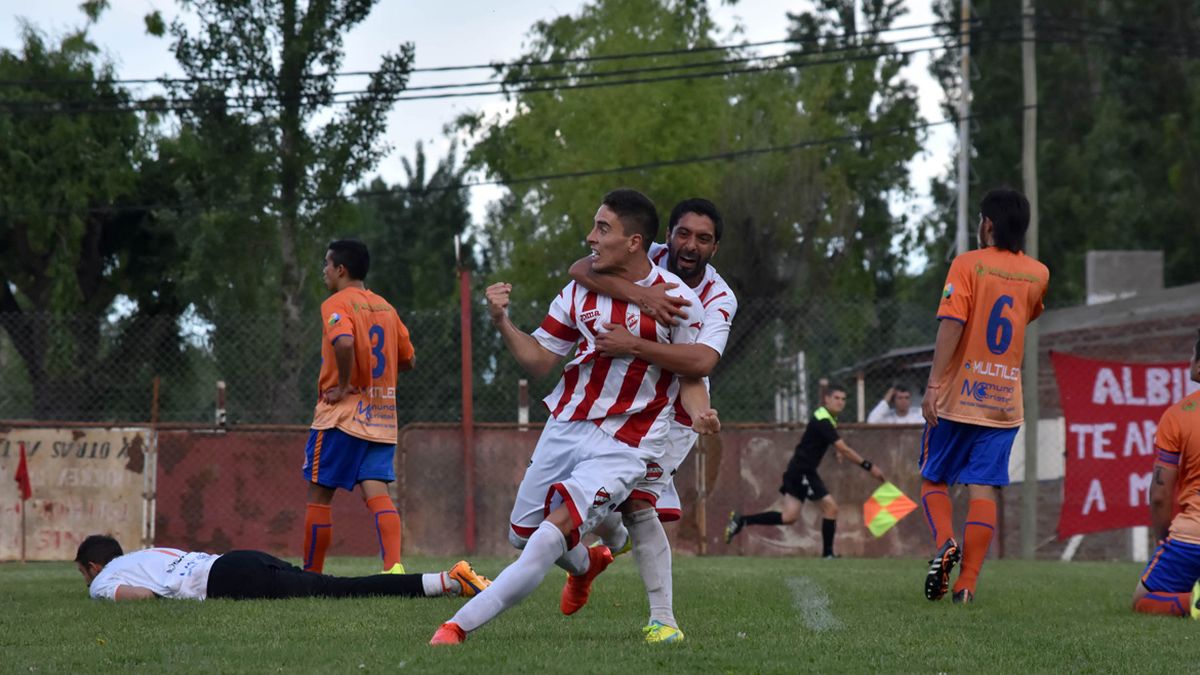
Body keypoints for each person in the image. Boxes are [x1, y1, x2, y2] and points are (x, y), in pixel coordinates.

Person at [429, 188, 720, 646]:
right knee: (522, 535)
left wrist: (701, 414)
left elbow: (692, 370)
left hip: (628, 443)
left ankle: (455, 627)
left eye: (602, 228)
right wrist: (503, 322)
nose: (591, 237)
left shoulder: (681, 300)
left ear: (634, 242)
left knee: (553, 534)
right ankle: (587, 565)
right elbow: (543, 358)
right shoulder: (580, 288)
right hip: (565, 426)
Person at [566, 197, 737, 643]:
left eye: (703, 239)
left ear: (715, 248)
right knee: (600, 501)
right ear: (666, 237)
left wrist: (633, 346)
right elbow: (581, 269)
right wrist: (641, 295)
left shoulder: (719, 298)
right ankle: (612, 542)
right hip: (618, 402)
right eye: (683, 233)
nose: (690, 245)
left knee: (640, 503)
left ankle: (664, 620)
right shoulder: (649, 261)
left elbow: (700, 360)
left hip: (677, 410)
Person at [919, 188, 1049, 604]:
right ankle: (967, 584)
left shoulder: (966, 264)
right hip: (1003, 401)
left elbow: (952, 323)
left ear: (987, 224)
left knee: (933, 477)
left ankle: (945, 542)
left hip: (960, 393)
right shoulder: (1038, 273)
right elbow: (1027, 314)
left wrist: (934, 384)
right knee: (983, 487)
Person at [302, 240, 415, 574]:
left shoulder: (336, 303)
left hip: (341, 417)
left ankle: (311, 575)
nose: (323, 270)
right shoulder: (386, 308)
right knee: (378, 494)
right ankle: (394, 568)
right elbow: (408, 358)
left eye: (326, 263)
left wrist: (345, 382)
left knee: (319, 496)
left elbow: (345, 341)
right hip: (381, 418)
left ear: (341, 269)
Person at [74, 534, 490, 602]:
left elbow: (143, 597)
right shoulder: (146, 552)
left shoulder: (105, 579)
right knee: (330, 586)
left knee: (337, 591)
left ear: (94, 566)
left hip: (227, 578)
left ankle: (448, 582)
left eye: (84, 574)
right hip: (237, 559)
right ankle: (444, 581)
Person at [725, 384, 886, 557]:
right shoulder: (823, 420)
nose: (840, 402)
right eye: (836, 398)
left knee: (789, 517)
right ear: (826, 399)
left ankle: (741, 520)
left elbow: (829, 440)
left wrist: (836, 450)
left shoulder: (827, 418)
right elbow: (844, 448)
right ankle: (828, 555)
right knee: (831, 508)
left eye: (843, 399)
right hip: (803, 471)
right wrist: (869, 467)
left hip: (798, 470)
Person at [1131, 331, 1200, 618]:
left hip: (1192, 538)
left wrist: (1163, 540)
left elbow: (1160, 495)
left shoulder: (1179, 414)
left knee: (1143, 599)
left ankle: (1192, 605)